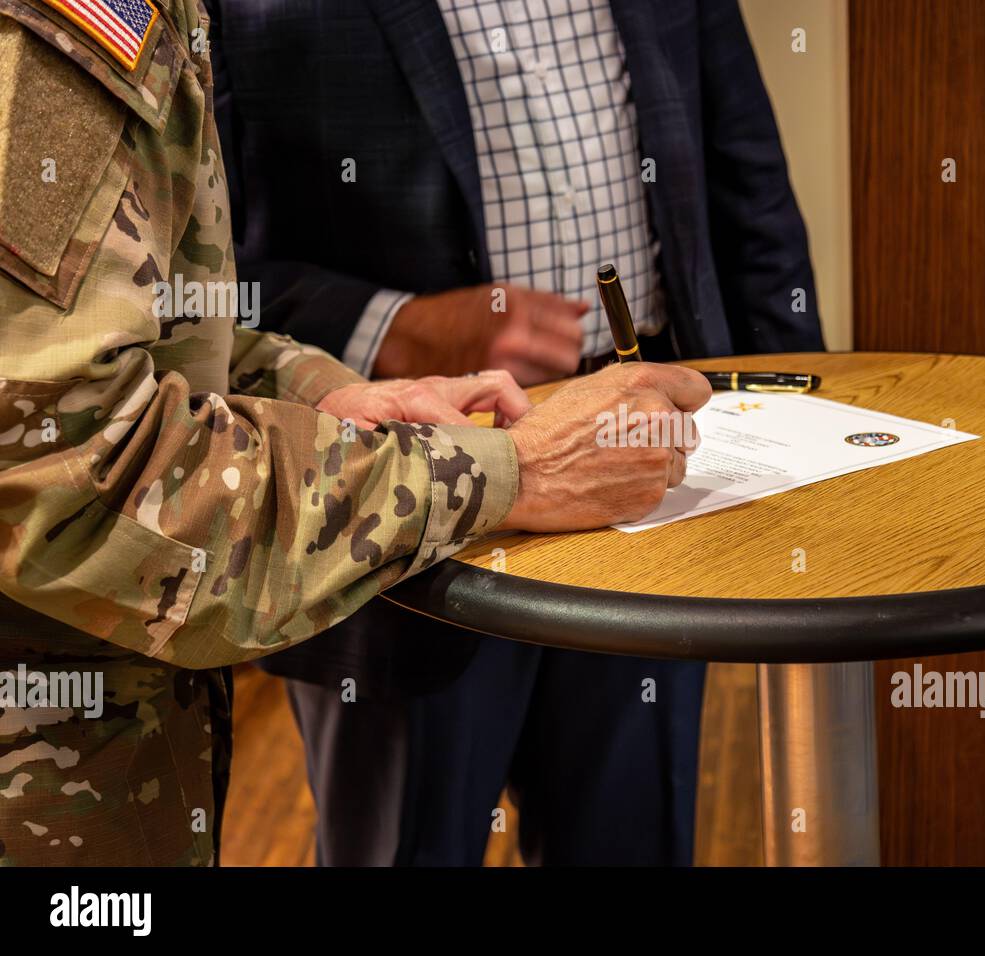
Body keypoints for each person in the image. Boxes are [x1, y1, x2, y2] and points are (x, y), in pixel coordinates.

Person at [0, 0, 708, 866]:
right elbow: (71, 469)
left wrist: (319, 391)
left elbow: (149, 323)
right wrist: (510, 469)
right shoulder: (46, 35)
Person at [209, 0, 824, 865]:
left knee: (631, 841)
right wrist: (398, 327)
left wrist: (808, 436)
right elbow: (199, 275)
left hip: (650, 483)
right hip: (398, 513)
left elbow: (747, 181)